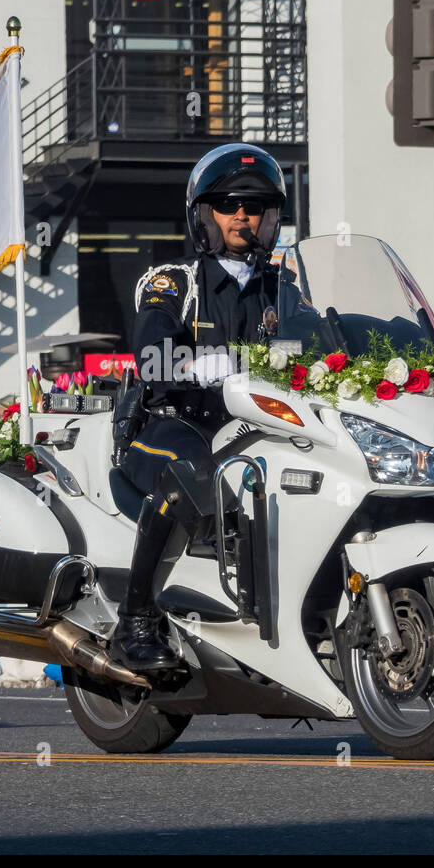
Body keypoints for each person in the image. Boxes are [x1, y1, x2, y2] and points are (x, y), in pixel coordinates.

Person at [110, 142, 287, 670]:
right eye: (228, 204)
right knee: (195, 469)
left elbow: (326, 345)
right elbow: (150, 356)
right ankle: (134, 621)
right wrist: (202, 365)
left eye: (252, 207)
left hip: (253, 428)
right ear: (204, 215)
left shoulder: (286, 291)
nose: (241, 215)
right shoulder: (174, 282)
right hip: (170, 425)